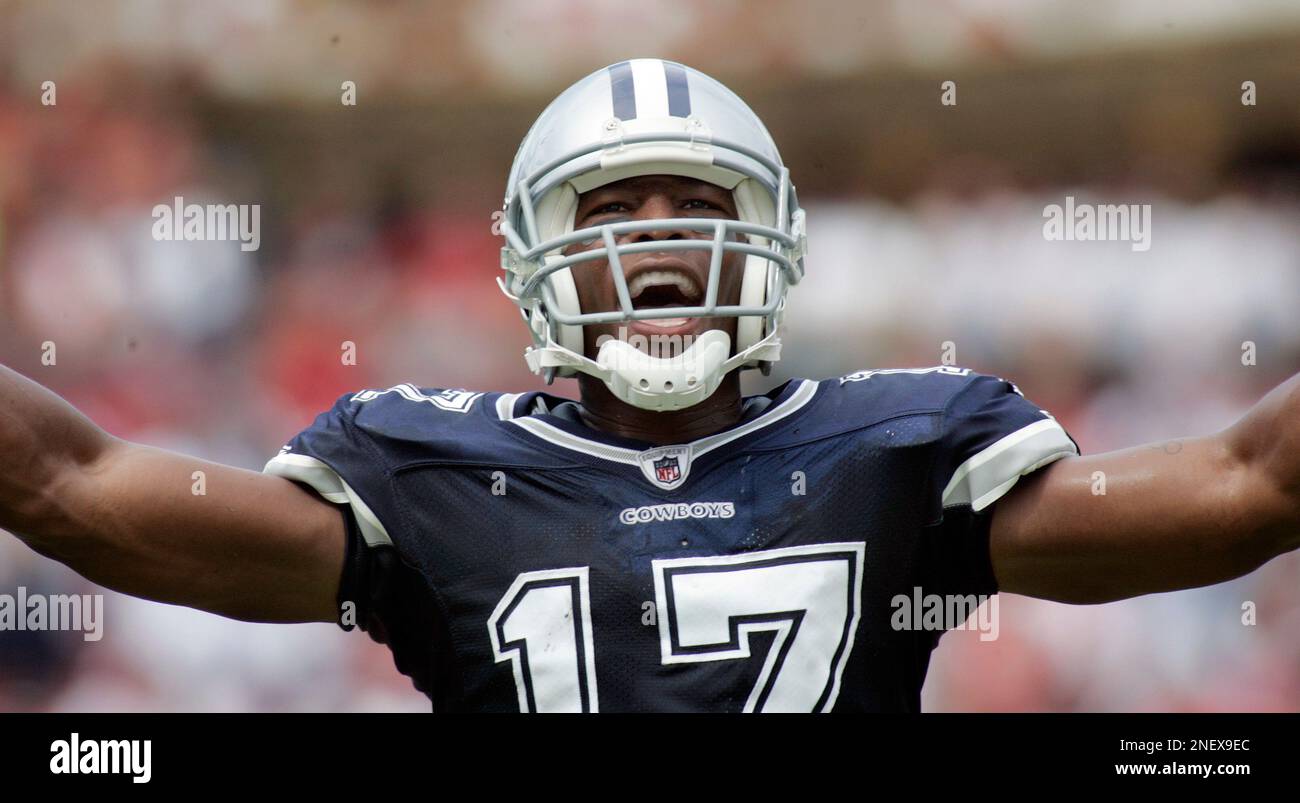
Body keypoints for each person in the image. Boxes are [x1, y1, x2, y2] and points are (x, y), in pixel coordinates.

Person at [1, 59, 1297, 712]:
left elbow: (1245, 487)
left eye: (699, 206)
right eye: (616, 208)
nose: (663, 237)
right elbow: (78, 485)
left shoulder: (896, 449)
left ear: (773, 245)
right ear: (534, 263)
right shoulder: (428, 474)